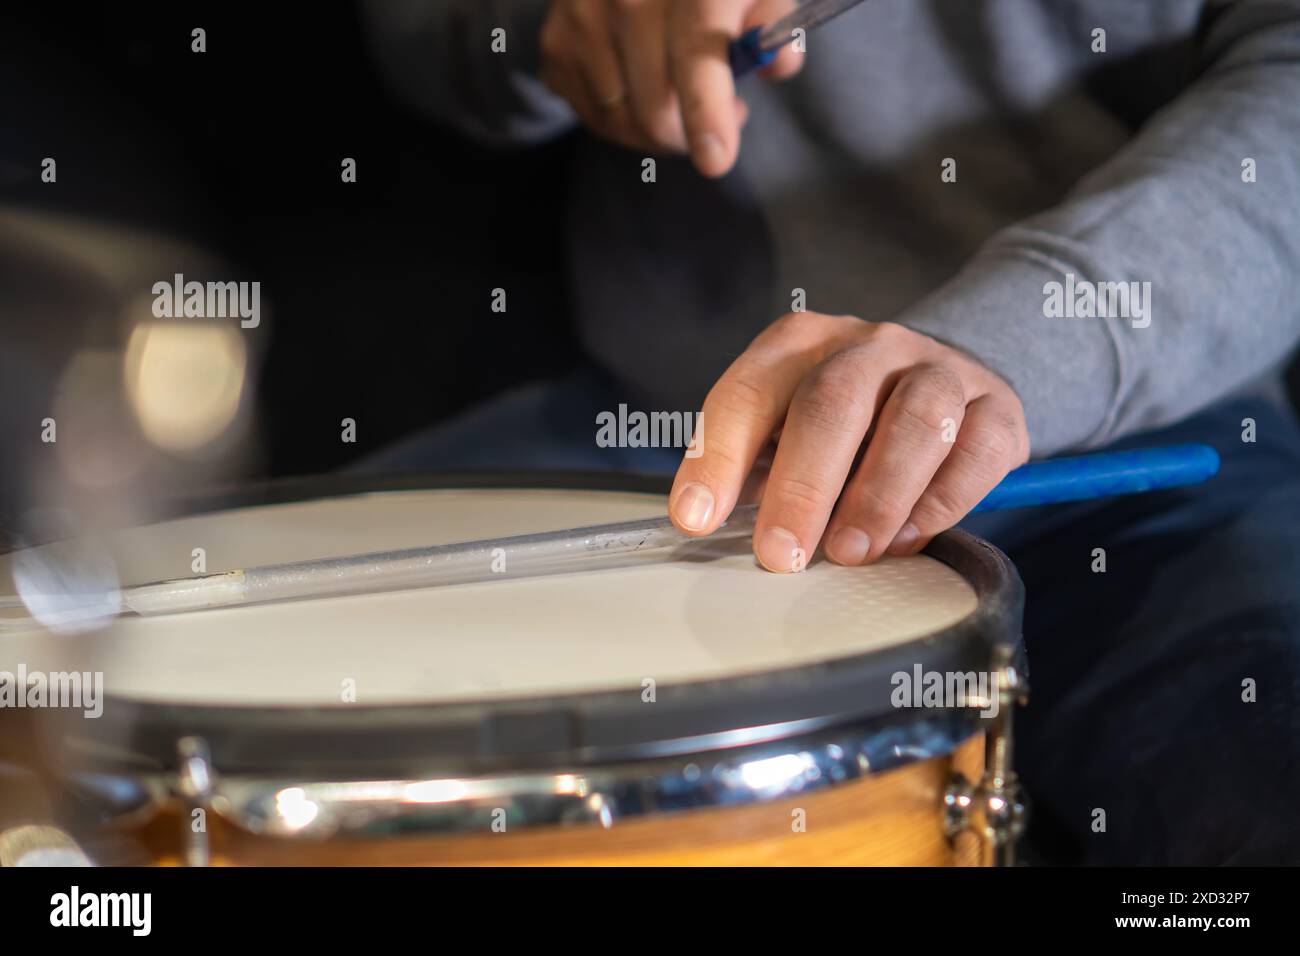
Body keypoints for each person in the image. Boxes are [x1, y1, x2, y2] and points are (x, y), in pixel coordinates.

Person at [360, 0, 1300, 863]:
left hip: (1154, 431)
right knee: (304, 718)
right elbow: (424, 38)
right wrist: (548, 21)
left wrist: (1023, 342)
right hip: (681, 443)